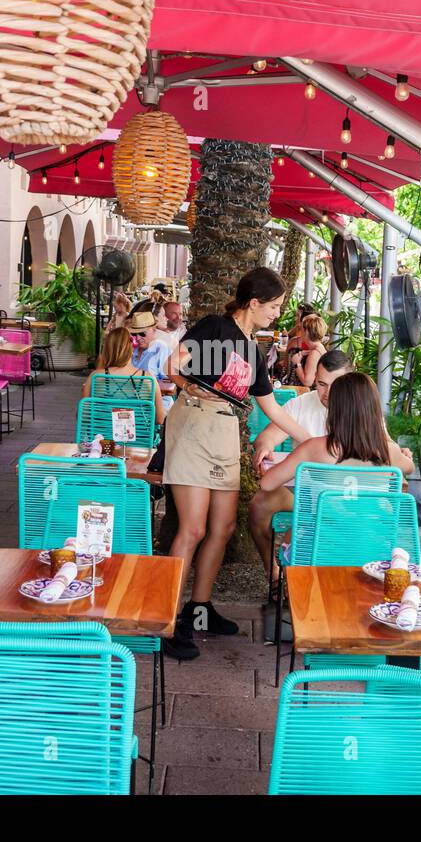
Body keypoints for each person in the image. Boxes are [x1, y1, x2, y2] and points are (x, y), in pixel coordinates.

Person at [163, 267, 313, 660]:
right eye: (275, 306)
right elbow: (173, 364)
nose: (278, 313)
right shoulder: (216, 326)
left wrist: (314, 442)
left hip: (226, 432)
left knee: (223, 527)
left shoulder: (254, 348)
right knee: (193, 529)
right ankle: (168, 618)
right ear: (254, 302)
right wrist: (188, 386)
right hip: (195, 424)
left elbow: (272, 408)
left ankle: (199, 610)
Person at [258, 370, 415, 569]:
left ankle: (291, 593)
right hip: (372, 550)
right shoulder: (388, 451)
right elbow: (409, 467)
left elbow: (267, 483)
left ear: (335, 409)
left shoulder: (313, 448)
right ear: (373, 409)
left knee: (294, 532)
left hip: (316, 552)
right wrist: (404, 455)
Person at [248, 349, 353, 590]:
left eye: (335, 385)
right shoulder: (303, 403)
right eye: (322, 384)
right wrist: (264, 447)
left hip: (347, 491)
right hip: (302, 491)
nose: (327, 394)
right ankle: (274, 574)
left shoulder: (360, 407)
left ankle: (315, 579)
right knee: (258, 505)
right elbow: (267, 437)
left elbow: (386, 446)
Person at [82, 326, 167, 424]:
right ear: (131, 348)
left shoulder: (96, 377)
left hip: (103, 437)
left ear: (107, 349)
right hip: (140, 437)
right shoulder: (148, 379)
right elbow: (159, 420)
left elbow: (84, 416)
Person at [128, 309, 173, 388]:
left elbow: (167, 382)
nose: (138, 338)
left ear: (154, 330)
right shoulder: (131, 348)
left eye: (142, 333)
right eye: (135, 334)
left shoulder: (161, 349)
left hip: (154, 397)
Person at [293, 314, 328, 387]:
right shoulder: (318, 347)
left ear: (306, 332)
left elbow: (307, 382)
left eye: (301, 329)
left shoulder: (315, 353)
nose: (300, 332)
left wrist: (297, 363)